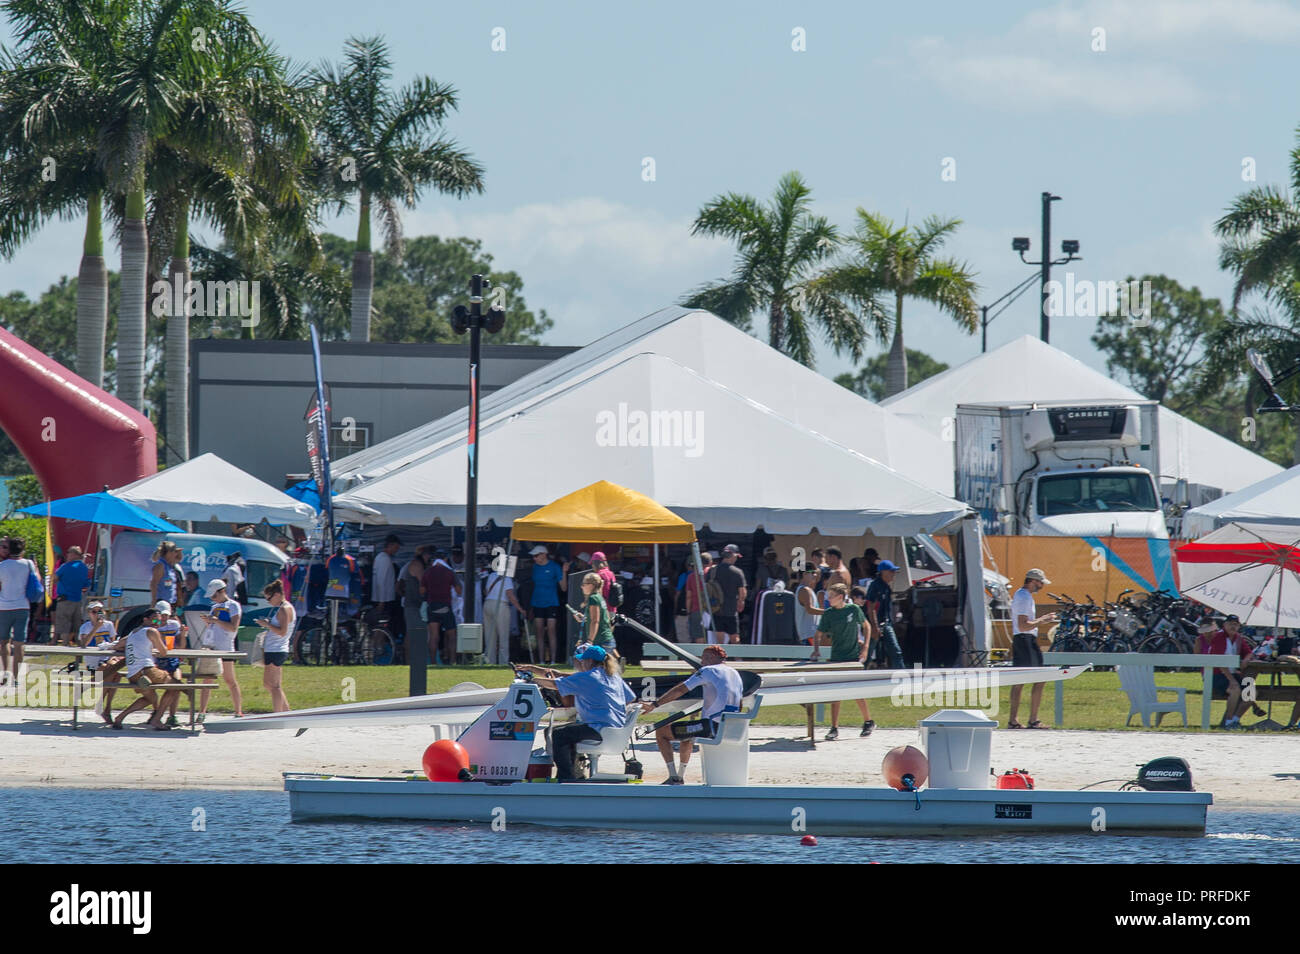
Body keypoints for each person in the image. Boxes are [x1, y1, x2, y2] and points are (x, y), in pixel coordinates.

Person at [519, 644, 635, 780]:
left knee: (557, 734)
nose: (581, 663)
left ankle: (566, 778)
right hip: (618, 731)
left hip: (600, 729)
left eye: (583, 660)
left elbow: (554, 684)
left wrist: (530, 679)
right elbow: (630, 698)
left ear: (590, 661)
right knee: (568, 732)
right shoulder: (613, 676)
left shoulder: (589, 677)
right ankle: (576, 775)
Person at [642, 644, 745, 784]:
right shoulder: (735, 673)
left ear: (712, 658)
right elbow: (739, 704)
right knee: (687, 733)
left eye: (703, 658)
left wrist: (654, 705)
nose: (701, 662)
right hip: (732, 728)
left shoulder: (708, 670)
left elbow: (681, 690)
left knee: (661, 732)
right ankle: (679, 776)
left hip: (710, 728)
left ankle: (673, 777)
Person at [811, 582, 874, 739]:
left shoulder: (853, 609)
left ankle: (868, 721)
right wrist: (817, 649)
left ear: (840, 597)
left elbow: (867, 626)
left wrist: (865, 647)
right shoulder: (829, 614)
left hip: (852, 657)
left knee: (856, 691)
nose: (828, 599)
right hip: (836, 657)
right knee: (836, 693)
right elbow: (818, 634)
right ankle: (834, 727)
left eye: (831, 596)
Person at [1007, 568, 1058, 729]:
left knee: (1026, 680)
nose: (1042, 586)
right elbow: (1023, 626)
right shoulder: (1023, 597)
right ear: (1033, 581)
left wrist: (1040, 620)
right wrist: (1042, 620)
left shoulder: (1023, 595)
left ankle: (1019, 720)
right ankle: (1027, 720)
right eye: (1040, 582)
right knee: (1028, 679)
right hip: (1025, 639)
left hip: (1026, 639)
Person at [111, 615, 181, 731]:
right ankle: (157, 719)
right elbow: (163, 652)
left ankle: (120, 718)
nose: (157, 623)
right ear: (145, 619)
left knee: (150, 698)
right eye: (154, 620)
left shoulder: (133, 632)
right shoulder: (152, 631)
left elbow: (118, 645)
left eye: (159, 621)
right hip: (147, 669)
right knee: (176, 687)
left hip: (133, 674)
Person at [197, 578, 243, 721]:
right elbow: (215, 625)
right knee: (207, 680)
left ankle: (238, 711)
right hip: (211, 646)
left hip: (225, 648)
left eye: (214, 595)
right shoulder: (214, 606)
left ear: (222, 591)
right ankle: (202, 712)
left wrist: (215, 620)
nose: (212, 598)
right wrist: (210, 621)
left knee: (230, 680)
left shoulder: (233, 605)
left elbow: (233, 627)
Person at [1203, 615, 1254, 728]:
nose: (1233, 626)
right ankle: (1228, 721)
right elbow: (1219, 661)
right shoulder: (1218, 637)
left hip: (1232, 674)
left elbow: (1249, 652)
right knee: (1235, 690)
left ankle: (1235, 720)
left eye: (1235, 624)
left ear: (1239, 626)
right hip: (1216, 674)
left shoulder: (1238, 638)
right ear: (1225, 625)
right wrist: (1231, 680)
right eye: (1230, 623)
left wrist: (1246, 659)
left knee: (1252, 692)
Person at [255, 580, 294, 713]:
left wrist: (267, 625)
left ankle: (279, 714)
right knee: (268, 684)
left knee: (274, 685)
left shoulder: (284, 609)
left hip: (277, 649)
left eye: (269, 598)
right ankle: (287, 711)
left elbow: (282, 631)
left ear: (277, 594)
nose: (268, 601)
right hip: (273, 649)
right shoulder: (282, 608)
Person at [527, 546, 569, 665]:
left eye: (536, 555)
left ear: (544, 554)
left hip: (551, 602)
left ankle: (553, 660)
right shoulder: (535, 567)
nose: (534, 558)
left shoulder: (555, 567)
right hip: (537, 603)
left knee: (551, 630)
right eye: (533, 556)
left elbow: (564, 587)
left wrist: (564, 572)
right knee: (539, 631)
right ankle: (541, 660)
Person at [0, 537, 32, 686]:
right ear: (22, 550)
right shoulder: (28, 564)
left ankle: (5, 671)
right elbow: (36, 581)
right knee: (19, 644)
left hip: (4, 606)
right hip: (22, 606)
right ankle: (17, 677)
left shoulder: (2, 565)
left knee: (4, 641)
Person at [421, 549, 461, 665]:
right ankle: (453, 661)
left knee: (433, 636)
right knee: (452, 635)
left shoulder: (428, 572)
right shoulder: (449, 572)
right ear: (445, 559)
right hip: (445, 606)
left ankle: (433, 662)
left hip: (432, 606)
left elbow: (422, 590)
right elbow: (459, 591)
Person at [865, 560, 906, 670]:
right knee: (868, 653)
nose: (893, 574)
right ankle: (859, 673)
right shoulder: (875, 586)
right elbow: (871, 608)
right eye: (891, 571)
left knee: (896, 651)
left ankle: (902, 675)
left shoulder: (887, 588)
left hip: (886, 624)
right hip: (876, 625)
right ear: (883, 572)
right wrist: (874, 626)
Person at [482, 561, 523, 665]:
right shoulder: (507, 578)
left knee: (490, 637)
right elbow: (510, 595)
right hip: (500, 605)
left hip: (487, 604)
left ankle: (490, 661)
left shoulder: (491, 575)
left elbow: (486, 592)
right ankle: (503, 662)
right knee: (503, 636)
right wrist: (520, 609)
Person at [707, 544, 747, 644]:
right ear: (733, 556)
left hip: (716, 609)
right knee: (735, 637)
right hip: (731, 610)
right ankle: (737, 658)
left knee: (719, 638)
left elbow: (706, 588)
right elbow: (742, 592)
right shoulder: (738, 572)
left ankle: (720, 657)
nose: (736, 559)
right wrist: (741, 602)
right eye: (736, 557)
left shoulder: (712, 570)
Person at [53, 545, 92, 646]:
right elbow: (85, 584)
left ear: (74, 555)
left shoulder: (66, 566)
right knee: (77, 624)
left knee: (64, 623)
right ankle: (80, 644)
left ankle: (65, 644)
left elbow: (55, 579)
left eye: (69, 552)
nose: (67, 555)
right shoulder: (83, 567)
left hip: (65, 599)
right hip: (78, 599)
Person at [568, 572, 615, 652]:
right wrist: (584, 618)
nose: (582, 587)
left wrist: (589, 642)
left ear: (591, 585)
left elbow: (595, 621)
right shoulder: (599, 597)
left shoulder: (593, 598)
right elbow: (603, 618)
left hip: (600, 641)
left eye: (584, 584)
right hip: (606, 640)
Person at [400, 550, 427, 662]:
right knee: (412, 633)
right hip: (413, 605)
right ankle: (410, 661)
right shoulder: (417, 565)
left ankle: (410, 661)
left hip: (413, 605)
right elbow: (423, 586)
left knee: (411, 633)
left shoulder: (413, 565)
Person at [371, 534, 401, 633]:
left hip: (381, 598)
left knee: (381, 626)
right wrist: (382, 601)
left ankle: (378, 645)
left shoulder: (380, 557)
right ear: (390, 545)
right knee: (382, 627)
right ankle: (378, 646)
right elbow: (381, 581)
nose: (397, 549)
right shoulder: (385, 559)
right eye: (396, 547)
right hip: (384, 599)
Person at [681, 553, 713, 643]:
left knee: (699, 635)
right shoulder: (714, 574)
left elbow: (689, 597)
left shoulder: (691, 576)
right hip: (714, 610)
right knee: (713, 635)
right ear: (710, 562)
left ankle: (701, 656)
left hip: (697, 610)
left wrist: (688, 611)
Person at [793, 565, 823, 646]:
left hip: (811, 635)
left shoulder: (808, 589)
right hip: (808, 635)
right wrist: (829, 612)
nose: (815, 575)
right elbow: (810, 610)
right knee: (809, 658)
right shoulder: (804, 590)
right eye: (812, 573)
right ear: (804, 574)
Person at [149, 541, 183, 607]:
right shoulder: (160, 565)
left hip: (170, 602)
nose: (175, 554)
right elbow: (153, 583)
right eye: (174, 552)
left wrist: (178, 551)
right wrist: (154, 600)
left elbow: (179, 558)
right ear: (169, 553)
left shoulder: (169, 564)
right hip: (161, 602)